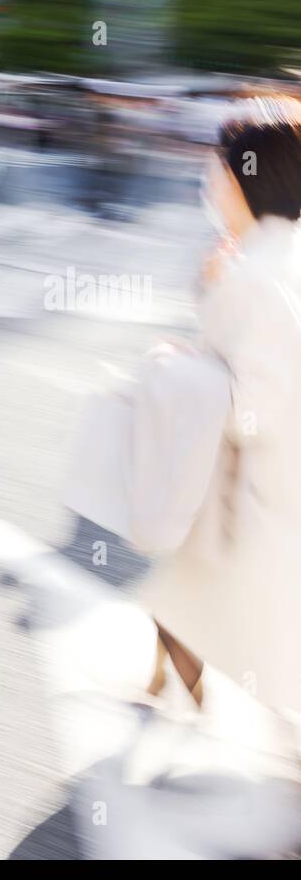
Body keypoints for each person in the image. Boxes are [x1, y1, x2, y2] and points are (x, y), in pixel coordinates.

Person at [140, 96, 301, 753]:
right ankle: (176, 669)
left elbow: (255, 406)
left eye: (217, 173)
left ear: (244, 179)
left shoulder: (259, 276)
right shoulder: (274, 258)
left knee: (277, 654)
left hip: (269, 502)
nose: (210, 184)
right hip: (268, 501)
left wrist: (175, 368)